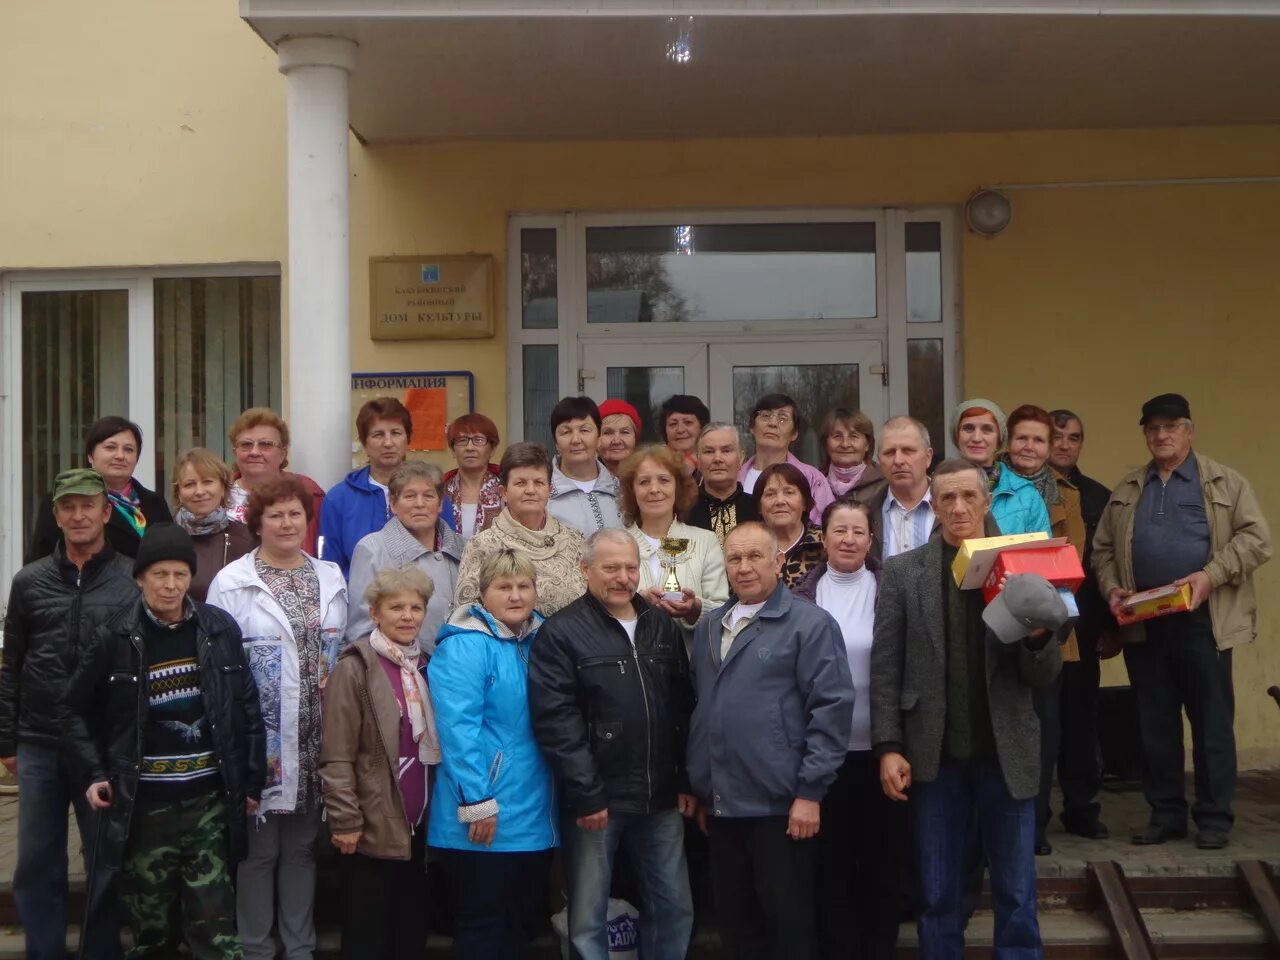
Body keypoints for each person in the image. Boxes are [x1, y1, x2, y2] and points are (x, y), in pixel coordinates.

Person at [870, 459, 1064, 959]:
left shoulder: (1023, 566)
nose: (958, 508)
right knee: (938, 894)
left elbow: (1043, 676)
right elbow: (887, 667)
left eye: (968, 498)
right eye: (947, 499)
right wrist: (889, 746)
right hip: (935, 758)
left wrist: (1040, 635)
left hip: (1008, 753)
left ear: (986, 501)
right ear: (933, 506)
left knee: (1016, 892)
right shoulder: (904, 573)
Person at [65, 523, 265, 958]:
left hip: (208, 801)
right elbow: (74, 709)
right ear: (140, 578)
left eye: (179, 574)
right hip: (144, 805)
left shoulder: (218, 628)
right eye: (160, 575)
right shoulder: (114, 635)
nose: (171, 585)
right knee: (152, 931)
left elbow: (246, 707)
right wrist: (95, 772)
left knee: (215, 931)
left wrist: (251, 781)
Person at [1093, 393, 1271, 850]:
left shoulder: (1224, 483)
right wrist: (1113, 589)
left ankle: (1214, 818)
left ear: (1189, 431)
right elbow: (1103, 552)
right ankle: (1165, 815)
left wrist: (1210, 576)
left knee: (1211, 722)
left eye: (1171, 426)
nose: (1161, 435)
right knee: (1155, 725)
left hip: (1203, 621)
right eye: (1153, 428)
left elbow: (1257, 540)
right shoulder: (1130, 487)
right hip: (1146, 624)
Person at [686, 521, 854, 960]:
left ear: (779, 562)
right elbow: (703, 709)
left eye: (755, 556)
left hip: (781, 806)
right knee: (738, 930)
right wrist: (702, 784)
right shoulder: (709, 626)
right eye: (734, 558)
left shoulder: (809, 624)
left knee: (788, 929)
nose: (743, 567)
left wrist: (810, 793)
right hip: (722, 807)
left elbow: (831, 712)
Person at [528, 528, 696, 960]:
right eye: (611, 568)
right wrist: (586, 794)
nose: (623, 577)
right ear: (585, 570)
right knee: (588, 917)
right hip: (597, 801)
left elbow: (682, 707)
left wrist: (684, 779)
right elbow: (556, 722)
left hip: (660, 797)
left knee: (674, 907)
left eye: (631, 568)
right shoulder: (562, 632)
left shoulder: (660, 624)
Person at [206, 475, 348, 960]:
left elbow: (342, 649)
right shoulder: (233, 582)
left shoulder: (330, 575)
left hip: (316, 736)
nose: (288, 523)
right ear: (257, 522)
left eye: (296, 514)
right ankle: (257, 949)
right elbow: (217, 666)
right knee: (259, 851)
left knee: (302, 850)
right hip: (260, 739)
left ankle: (300, 947)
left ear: (308, 521)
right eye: (276, 514)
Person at [0, 468, 139, 960]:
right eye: (68, 507)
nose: (79, 515)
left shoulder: (131, 579)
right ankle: (44, 951)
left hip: (103, 746)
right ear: (57, 515)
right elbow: (12, 662)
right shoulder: (29, 580)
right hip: (38, 743)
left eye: (88, 506)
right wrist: (6, 741)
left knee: (105, 858)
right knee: (37, 862)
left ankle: (99, 952)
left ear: (106, 512)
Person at [793, 500, 908, 960]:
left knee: (882, 864)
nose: (848, 539)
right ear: (823, 536)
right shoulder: (801, 596)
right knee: (832, 867)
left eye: (858, 532)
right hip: (822, 755)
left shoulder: (892, 589)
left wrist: (895, 742)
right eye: (839, 530)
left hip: (882, 751)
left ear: (871, 539)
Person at [428, 549, 557, 958]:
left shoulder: (543, 641)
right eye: (504, 587)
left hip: (534, 816)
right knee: (482, 931)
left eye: (524, 586)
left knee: (519, 930)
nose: (516, 595)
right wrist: (478, 801)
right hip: (484, 816)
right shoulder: (466, 646)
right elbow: (457, 729)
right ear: (483, 594)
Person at [321, 565, 440, 959]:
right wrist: (346, 820)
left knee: (410, 933)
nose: (407, 616)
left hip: (419, 823)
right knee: (369, 935)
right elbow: (337, 753)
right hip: (371, 825)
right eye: (396, 608)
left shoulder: (427, 665)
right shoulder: (355, 667)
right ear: (375, 613)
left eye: (416, 608)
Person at [1004, 404, 1101, 853]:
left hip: (1050, 624)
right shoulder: (984, 486)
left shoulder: (1069, 496)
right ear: (1009, 441)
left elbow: (1068, 560)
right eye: (1022, 438)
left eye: (1038, 440)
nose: (1030, 447)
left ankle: (1036, 826)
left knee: (1046, 728)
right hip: (996, 619)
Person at [1047, 408, 1116, 840]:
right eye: (1056, 436)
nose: (1064, 445)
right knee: (1039, 722)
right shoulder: (1020, 492)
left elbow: (1107, 564)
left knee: (1079, 720)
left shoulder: (1097, 496)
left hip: (1084, 625)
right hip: (1034, 627)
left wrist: (1112, 626)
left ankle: (1081, 809)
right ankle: (1034, 815)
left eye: (1074, 437)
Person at [456, 442, 588, 617]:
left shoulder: (574, 540)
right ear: (503, 492)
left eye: (539, 482)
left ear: (550, 490)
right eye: (520, 483)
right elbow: (465, 615)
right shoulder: (481, 546)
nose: (531, 490)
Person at [346, 461, 464, 654]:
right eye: (409, 496)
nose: (420, 504)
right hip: (399, 672)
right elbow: (361, 630)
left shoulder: (463, 548)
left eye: (428, 495)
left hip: (459, 672)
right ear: (393, 503)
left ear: (440, 503)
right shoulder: (372, 549)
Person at [27, 416, 173, 562]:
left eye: (128, 450)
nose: (120, 456)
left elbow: (170, 556)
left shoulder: (155, 503)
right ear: (90, 455)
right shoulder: (62, 499)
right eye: (110, 447)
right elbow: (40, 563)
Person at [618, 444, 729, 636]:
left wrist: (694, 608)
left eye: (664, 480)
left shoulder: (706, 541)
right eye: (644, 482)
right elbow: (602, 609)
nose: (654, 489)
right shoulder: (615, 544)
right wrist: (637, 602)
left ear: (678, 488)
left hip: (689, 660)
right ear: (632, 490)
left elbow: (722, 611)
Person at [319, 396, 420, 578]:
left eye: (396, 433)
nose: (388, 443)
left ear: (408, 439)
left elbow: (445, 557)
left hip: (421, 602)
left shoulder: (430, 493)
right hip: (360, 602)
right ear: (364, 442)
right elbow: (329, 567)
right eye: (378, 434)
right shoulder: (339, 498)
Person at [225, 407, 326, 555]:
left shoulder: (308, 493)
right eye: (246, 445)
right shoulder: (217, 495)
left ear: (283, 454)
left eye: (266, 444)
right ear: (235, 453)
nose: (254, 452)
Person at [951, 399, 1050, 536]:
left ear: (999, 439)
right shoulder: (936, 487)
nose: (977, 437)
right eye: (968, 428)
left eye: (987, 429)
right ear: (957, 437)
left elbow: (1042, 553)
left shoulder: (1027, 495)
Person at [170, 447, 257, 602]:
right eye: (189, 484)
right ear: (179, 494)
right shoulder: (165, 539)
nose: (199, 491)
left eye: (207, 482)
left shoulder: (246, 538)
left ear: (223, 488)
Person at [738, 393, 834, 524]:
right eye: (765, 415)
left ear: (794, 434)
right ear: (752, 427)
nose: (772, 423)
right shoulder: (735, 477)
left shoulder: (813, 479)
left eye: (782, 418)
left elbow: (829, 527)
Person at [864, 416, 937, 563]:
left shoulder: (957, 507)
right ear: (879, 459)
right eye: (889, 453)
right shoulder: (865, 512)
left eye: (908, 451)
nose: (898, 460)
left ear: (928, 457)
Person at [547, 396, 622, 535]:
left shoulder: (622, 491)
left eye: (584, 430)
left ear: (599, 437)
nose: (576, 440)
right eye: (566, 432)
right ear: (556, 443)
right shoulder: (543, 494)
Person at [686, 422, 761, 545]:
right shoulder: (684, 511)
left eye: (726, 451)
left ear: (741, 458)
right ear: (698, 460)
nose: (717, 459)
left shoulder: (757, 508)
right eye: (709, 452)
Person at [757, 462, 825, 588]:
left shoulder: (826, 543)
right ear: (759, 506)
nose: (780, 501)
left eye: (789, 492)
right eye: (770, 494)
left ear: (805, 502)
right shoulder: (748, 545)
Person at [444, 412, 504, 539]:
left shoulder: (506, 490)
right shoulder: (439, 491)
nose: (470, 447)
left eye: (478, 440)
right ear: (453, 449)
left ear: (492, 449)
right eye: (462, 440)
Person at [820, 408, 886, 503]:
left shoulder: (885, 485)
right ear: (826, 443)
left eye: (854, 436)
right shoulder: (813, 482)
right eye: (837, 436)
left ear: (867, 444)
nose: (845, 444)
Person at [660, 394, 710, 477]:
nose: (680, 430)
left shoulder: (717, 462)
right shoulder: (653, 464)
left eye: (688, 422)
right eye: (673, 424)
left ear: (702, 427)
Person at [598, 399, 642, 478]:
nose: (617, 441)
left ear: (635, 438)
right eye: (608, 433)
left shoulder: (649, 477)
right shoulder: (584, 480)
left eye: (625, 432)